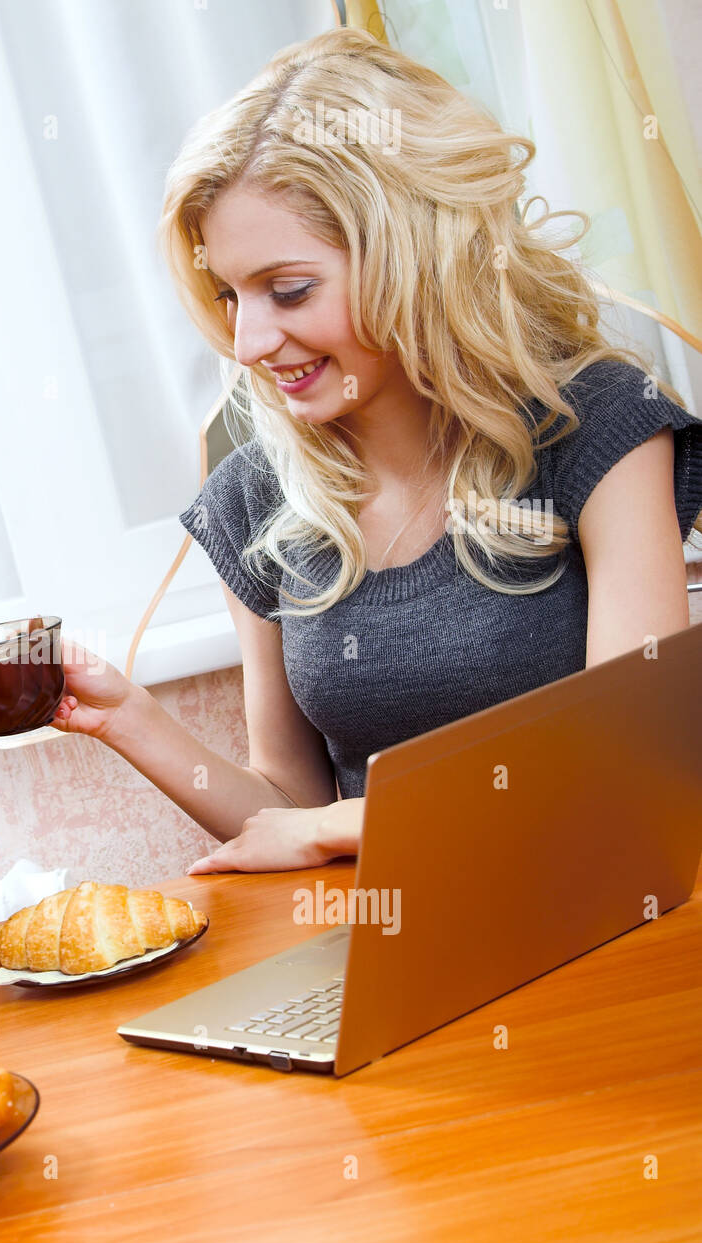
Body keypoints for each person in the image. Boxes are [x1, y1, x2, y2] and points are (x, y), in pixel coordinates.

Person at [50, 28, 702, 875]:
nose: (247, 340)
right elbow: (289, 808)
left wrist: (344, 826)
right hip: (385, 935)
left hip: (596, 909)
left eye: (288, 291)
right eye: (228, 295)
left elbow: (633, 761)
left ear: (413, 256)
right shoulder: (257, 494)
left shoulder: (598, 426)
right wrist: (129, 718)